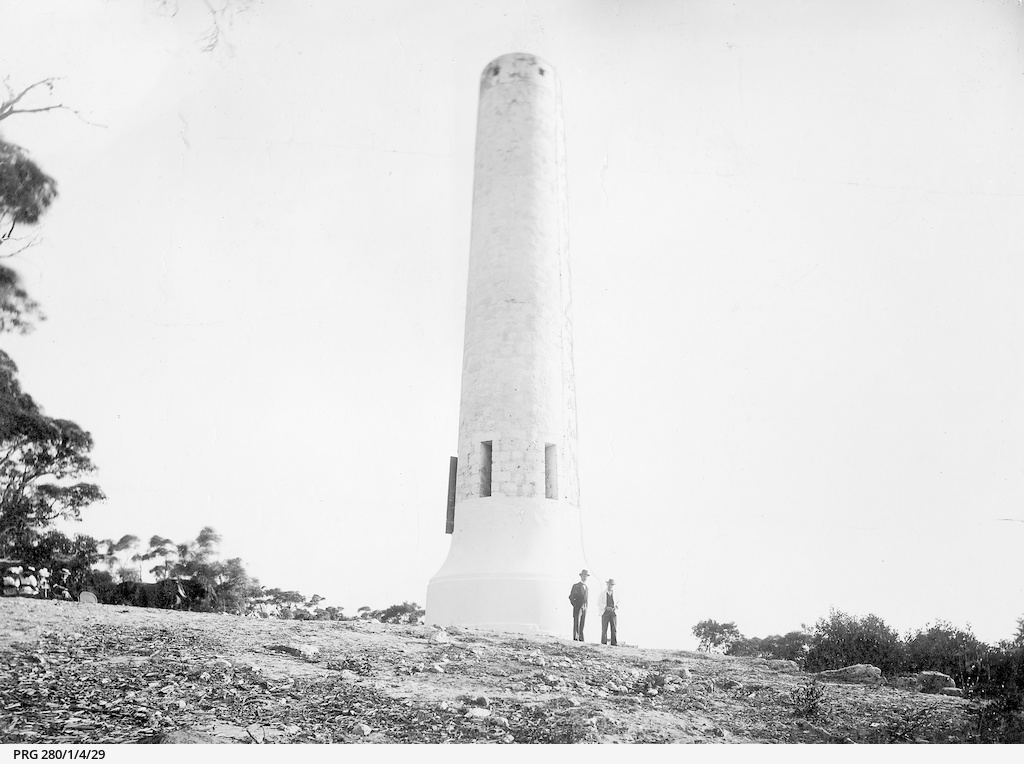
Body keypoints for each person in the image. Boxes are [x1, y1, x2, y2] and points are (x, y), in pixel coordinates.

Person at [568, 569, 590, 641]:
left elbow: (586, 599)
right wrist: (575, 605)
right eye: (584, 575)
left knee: (582, 622)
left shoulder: (586, 587)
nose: (585, 577)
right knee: (577, 622)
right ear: (581, 576)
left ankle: (581, 638)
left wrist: (586, 606)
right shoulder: (576, 586)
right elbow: (571, 597)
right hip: (578, 607)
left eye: (586, 576)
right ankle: (575, 637)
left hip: (584, 607)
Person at [597, 578, 618, 646]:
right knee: (604, 628)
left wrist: (616, 606)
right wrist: (606, 607)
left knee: (614, 628)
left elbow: (619, 602)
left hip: (613, 613)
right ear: (607, 584)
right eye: (609, 584)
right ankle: (603, 643)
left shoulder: (616, 594)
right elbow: (599, 603)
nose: (610, 586)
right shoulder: (602, 594)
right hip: (605, 612)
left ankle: (614, 643)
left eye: (611, 585)